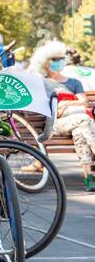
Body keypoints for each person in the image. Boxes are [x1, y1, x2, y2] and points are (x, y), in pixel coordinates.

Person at [29, 39, 95, 187]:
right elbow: (44, 109)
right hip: (56, 124)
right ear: (45, 63)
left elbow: (84, 102)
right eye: (54, 59)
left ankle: (89, 178)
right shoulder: (41, 83)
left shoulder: (74, 82)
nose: (59, 62)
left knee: (80, 132)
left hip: (79, 121)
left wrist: (66, 103)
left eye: (61, 59)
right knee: (85, 120)